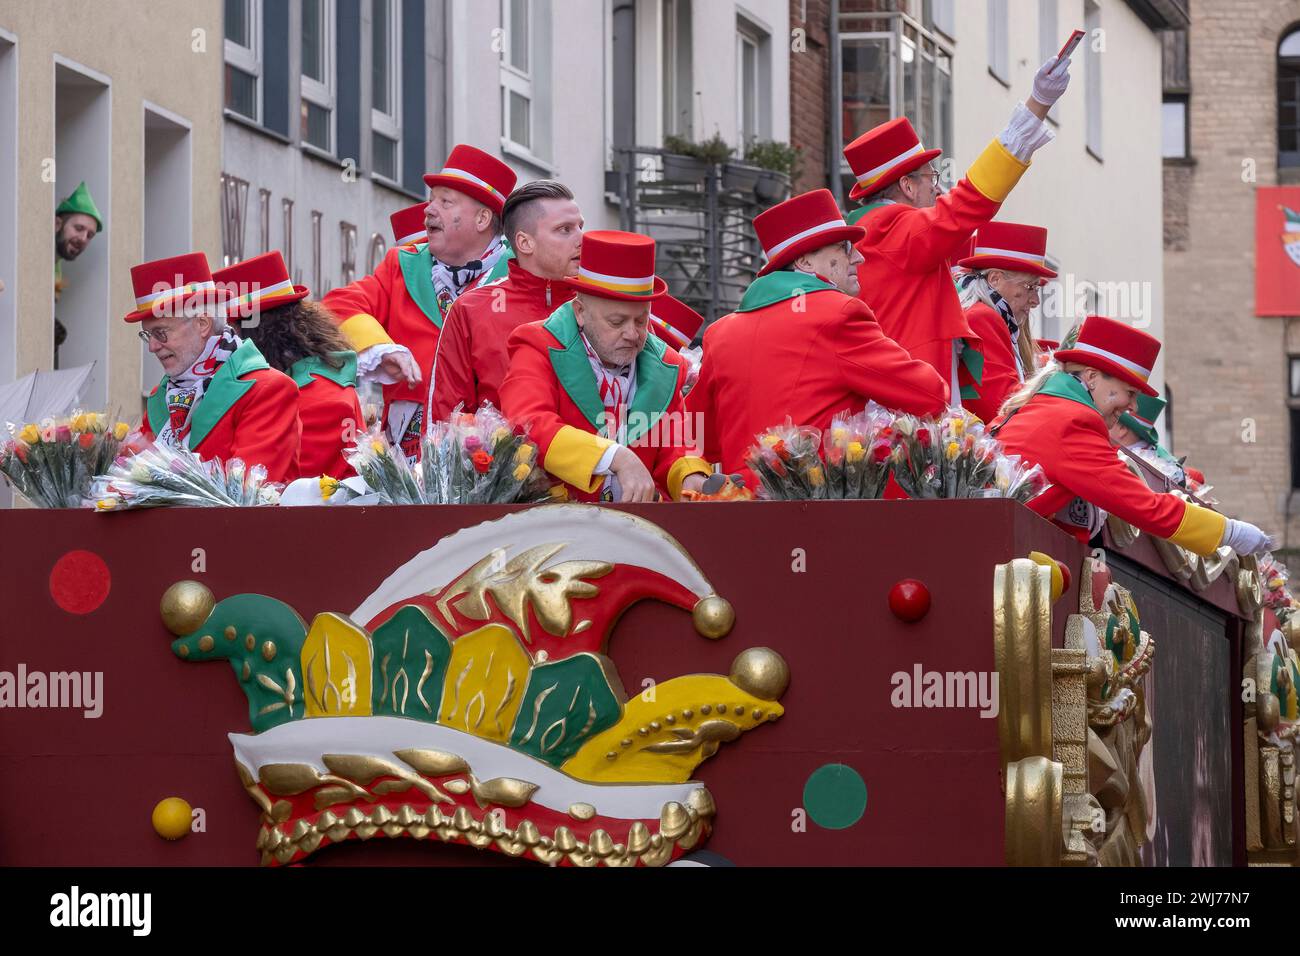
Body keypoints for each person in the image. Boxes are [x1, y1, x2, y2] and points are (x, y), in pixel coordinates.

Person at [843, 55, 1072, 395]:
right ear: (907, 186)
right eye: (931, 178)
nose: (938, 188)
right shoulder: (896, 229)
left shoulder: (866, 236)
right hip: (911, 404)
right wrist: (1037, 105)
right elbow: (971, 202)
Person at [686, 189, 948, 478]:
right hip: (813, 512)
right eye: (846, 247)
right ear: (805, 262)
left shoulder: (720, 332)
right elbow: (929, 394)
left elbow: (697, 435)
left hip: (736, 507)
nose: (859, 257)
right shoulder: (838, 313)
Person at [992, 315, 1270, 557]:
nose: (1133, 408)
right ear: (1091, 377)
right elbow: (1143, 506)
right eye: (1130, 393)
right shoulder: (1074, 421)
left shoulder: (1049, 405)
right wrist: (1229, 532)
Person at [322, 145, 517, 458]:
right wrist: (381, 348)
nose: (428, 210)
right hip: (409, 461)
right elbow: (337, 306)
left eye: (445, 201)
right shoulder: (403, 265)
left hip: (495, 460)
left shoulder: (520, 275)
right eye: (431, 200)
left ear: (482, 218)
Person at [500, 230, 711, 502]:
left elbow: (678, 445)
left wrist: (691, 478)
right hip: (559, 523)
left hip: (640, 528)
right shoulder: (537, 344)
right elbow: (528, 423)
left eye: (640, 321)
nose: (632, 334)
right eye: (616, 322)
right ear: (580, 312)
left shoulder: (668, 364)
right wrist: (613, 456)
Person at [127, 252, 301, 482]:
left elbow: (248, 492)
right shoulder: (161, 396)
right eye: (147, 335)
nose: (152, 347)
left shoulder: (267, 389)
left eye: (161, 333)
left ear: (202, 324)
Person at [427, 180, 582, 422]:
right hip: (501, 458)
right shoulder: (471, 310)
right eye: (565, 229)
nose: (582, 239)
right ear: (524, 242)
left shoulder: (601, 305)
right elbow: (446, 421)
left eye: (580, 227)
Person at [213, 251, 364, 480]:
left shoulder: (305, 395)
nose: (222, 342)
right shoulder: (325, 376)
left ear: (256, 329)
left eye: (228, 331)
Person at [955, 221, 1055, 423]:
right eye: (1030, 287)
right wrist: (1058, 378)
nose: (1035, 300)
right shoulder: (983, 317)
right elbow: (1003, 403)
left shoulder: (984, 315)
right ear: (994, 279)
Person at [53, 181, 103, 368]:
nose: (83, 239)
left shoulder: (56, 265)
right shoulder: (40, 259)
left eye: (89, 235)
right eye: (79, 228)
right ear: (57, 223)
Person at [1109, 393, 1205, 490]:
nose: (1104, 422)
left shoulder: (1133, 462)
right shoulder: (1155, 460)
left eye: (1111, 419)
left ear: (1122, 429)